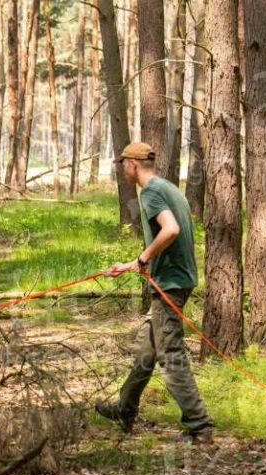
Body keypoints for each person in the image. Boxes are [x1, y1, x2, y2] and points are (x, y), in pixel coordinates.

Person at [97, 142, 214, 442]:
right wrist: (130, 265)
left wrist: (144, 258)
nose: (122, 169)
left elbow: (171, 229)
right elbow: (169, 238)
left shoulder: (149, 192)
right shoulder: (170, 188)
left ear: (133, 165)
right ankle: (125, 408)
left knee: (170, 354)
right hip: (177, 278)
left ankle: (199, 425)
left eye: (123, 163)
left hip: (170, 285)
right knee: (146, 350)